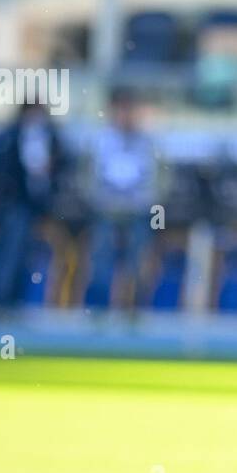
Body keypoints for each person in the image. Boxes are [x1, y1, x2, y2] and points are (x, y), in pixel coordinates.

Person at [0, 101, 67, 312]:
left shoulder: (50, 137)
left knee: (27, 254)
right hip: (14, 203)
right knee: (9, 252)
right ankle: (0, 301)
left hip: (38, 204)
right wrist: (1, 188)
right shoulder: (9, 137)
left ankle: (16, 301)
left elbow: (62, 163)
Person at [83, 88, 159, 312]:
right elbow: (86, 175)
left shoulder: (147, 142)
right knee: (101, 261)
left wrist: (150, 200)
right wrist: (96, 199)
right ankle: (98, 309)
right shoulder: (99, 141)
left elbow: (160, 175)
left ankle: (133, 309)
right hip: (105, 209)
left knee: (137, 261)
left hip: (137, 210)